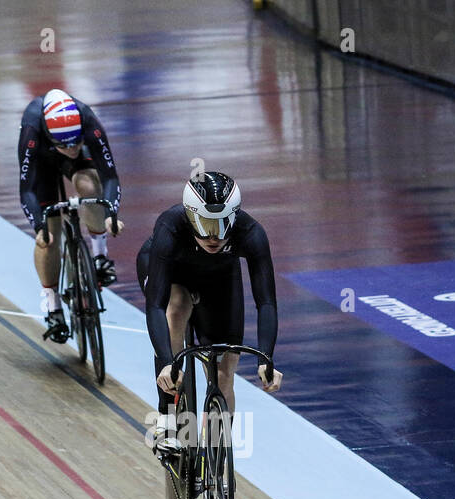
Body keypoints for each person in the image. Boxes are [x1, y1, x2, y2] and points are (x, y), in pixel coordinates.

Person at [137, 171, 283, 451]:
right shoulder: (170, 226)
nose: (213, 235)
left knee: (225, 371)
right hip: (172, 273)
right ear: (191, 217)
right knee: (176, 307)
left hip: (218, 277)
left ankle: (216, 461)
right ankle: (168, 419)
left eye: (221, 224)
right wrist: (167, 361)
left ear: (234, 217)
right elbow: (155, 304)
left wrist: (266, 357)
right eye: (204, 223)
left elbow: (266, 302)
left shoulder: (251, 233)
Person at [18, 88, 121, 342]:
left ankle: (99, 256)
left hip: (67, 159)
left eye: (77, 142)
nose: (73, 148)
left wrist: (111, 213)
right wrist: (38, 226)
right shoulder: (32, 128)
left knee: (89, 184)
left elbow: (110, 176)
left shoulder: (86, 118)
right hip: (42, 163)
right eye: (66, 145)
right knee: (49, 236)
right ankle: (52, 307)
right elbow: (27, 190)